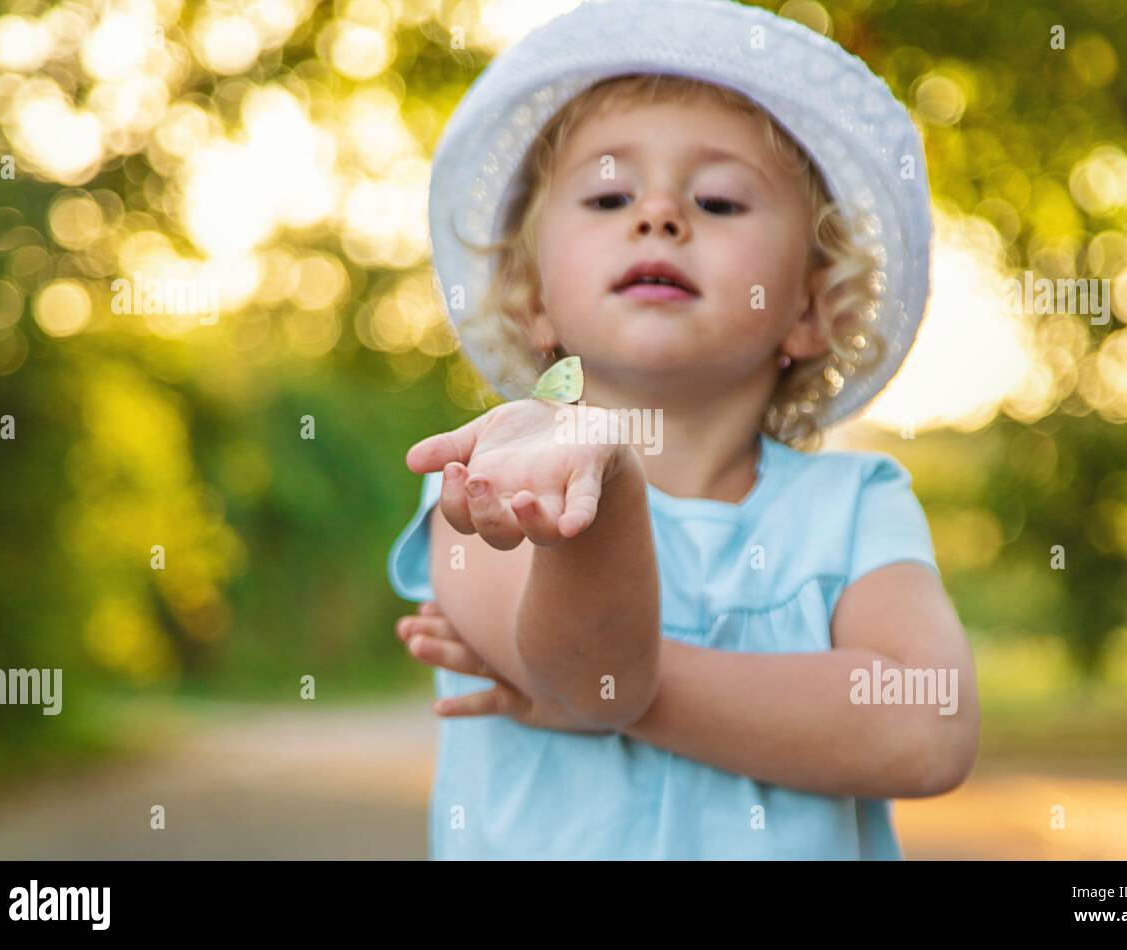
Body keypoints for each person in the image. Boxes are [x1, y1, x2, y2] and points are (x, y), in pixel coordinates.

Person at [388, 0, 978, 859]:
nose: (660, 214)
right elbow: (591, 679)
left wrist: (614, 704)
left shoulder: (857, 506)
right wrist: (611, 480)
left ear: (811, 310)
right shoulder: (485, 479)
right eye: (608, 193)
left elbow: (928, 730)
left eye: (719, 200)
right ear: (534, 299)